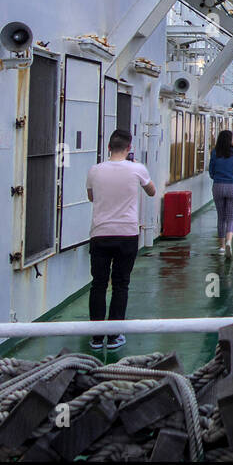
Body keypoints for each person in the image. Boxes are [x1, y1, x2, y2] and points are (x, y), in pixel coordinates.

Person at [86, 128, 155, 350]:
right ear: (129, 148)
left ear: (108, 147)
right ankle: (114, 336)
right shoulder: (137, 169)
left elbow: (91, 197)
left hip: (100, 233)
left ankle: (96, 337)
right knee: (120, 284)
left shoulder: (95, 171)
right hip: (126, 234)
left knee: (98, 284)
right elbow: (152, 191)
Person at [210, 129, 233, 257]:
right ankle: (229, 241)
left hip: (218, 186)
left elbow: (211, 171)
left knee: (221, 217)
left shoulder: (215, 152)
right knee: (231, 217)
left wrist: (217, 177)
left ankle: (222, 247)